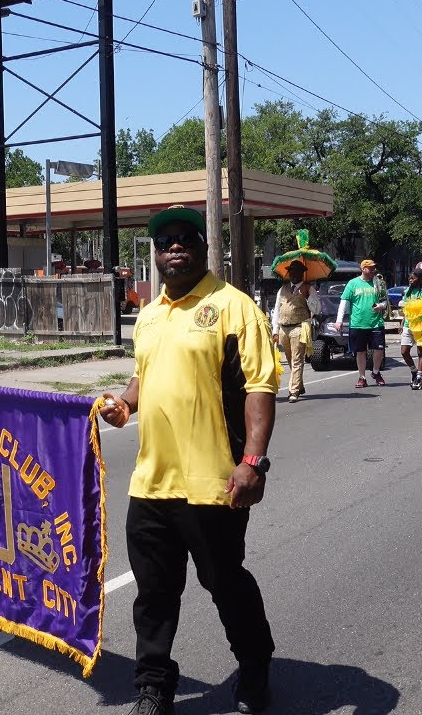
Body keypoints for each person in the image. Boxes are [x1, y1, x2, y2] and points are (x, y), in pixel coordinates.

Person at [100, 205, 278, 715]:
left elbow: (260, 387)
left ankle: (255, 668)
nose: (173, 246)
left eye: (184, 238)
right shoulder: (150, 314)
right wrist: (126, 403)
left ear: (203, 246)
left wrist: (253, 462)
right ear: (155, 254)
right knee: (153, 595)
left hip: (214, 482)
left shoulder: (233, 305)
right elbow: (144, 374)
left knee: (226, 584)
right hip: (151, 482)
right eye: (164, 241)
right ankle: (153, 687)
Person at [273, 259, 321, 403]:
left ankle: (293, 391)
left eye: (297, 272)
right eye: (292, 271)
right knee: (289, 359)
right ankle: (299, 386)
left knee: (297, 360)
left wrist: (308, 297)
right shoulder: (282, 289)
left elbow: (317, 309)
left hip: (299, 327)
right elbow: (277, 309)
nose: (294, 274)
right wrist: (275, 330)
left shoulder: (308, 288)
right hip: (283, 328)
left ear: (302, 274)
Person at [335, 259, 388, 388]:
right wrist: (339, 320)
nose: (372, 270)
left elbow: (385, 302)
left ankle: (375, 372)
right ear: (363, 269)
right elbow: (344, 302)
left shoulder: (378, 283)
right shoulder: (353, 284)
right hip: (358, 324)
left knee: (379, 349)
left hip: (376, 323)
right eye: (370, 268)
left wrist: (381, 306)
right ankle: (362, 377)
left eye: (373, 268)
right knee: (360, 351)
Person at [398, 268, 422, 390]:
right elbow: (406, 308)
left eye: (413, 278)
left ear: (420, 278)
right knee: (404, 351)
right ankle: (413, 371)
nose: (410, 280)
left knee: (420, 352)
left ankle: (419, 378)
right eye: (409, 278)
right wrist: (402, 322)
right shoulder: (409, 291)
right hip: (409, 325)